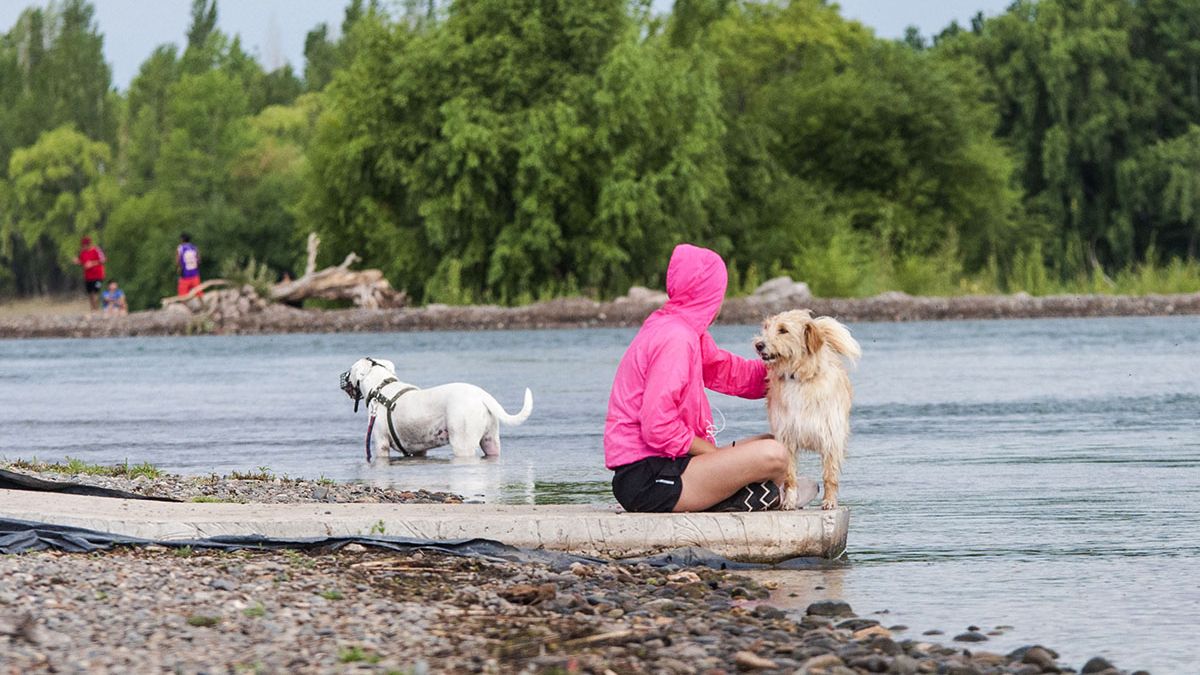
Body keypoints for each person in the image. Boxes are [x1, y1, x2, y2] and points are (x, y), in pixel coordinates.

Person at [604, 243, 811, 513]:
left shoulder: (683, 329)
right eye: (719, 294)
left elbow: (728, 372)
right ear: (708, 296)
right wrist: (719, 457)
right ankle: (742, 496)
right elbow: (657, 426)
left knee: (775, 443)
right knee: (775, 456)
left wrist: (792, 368)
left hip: (670, 463)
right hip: (649, 479)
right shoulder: (676, 339)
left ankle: (746, 494)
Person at [74, 236, 107, 311]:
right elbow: (82, 262)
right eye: (83, 245)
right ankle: (92, 309)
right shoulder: (82, 252)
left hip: (98, 276)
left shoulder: (97, 250)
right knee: (90, 293)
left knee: (96, 292)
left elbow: (103, 259)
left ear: (89, 244)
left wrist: (92, 263)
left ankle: (96, 309)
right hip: (88, 277)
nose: (84, 247)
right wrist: (77, 262)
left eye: (85, 245)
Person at [176, 233, 202, 297]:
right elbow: (199, 260)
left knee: (182, 295)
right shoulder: (194, 247)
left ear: (182, 240)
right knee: (199, 294)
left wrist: (179, 268)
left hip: (185, 275)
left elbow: (177, 260)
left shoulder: (180, 248)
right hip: (195, 274)